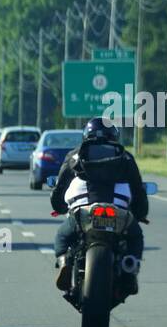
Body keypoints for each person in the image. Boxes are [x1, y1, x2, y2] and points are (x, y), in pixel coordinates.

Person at [50, 117, 148, 295]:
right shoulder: (125, 157)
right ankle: (130, 266)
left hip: (82, 213)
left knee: (63, 235)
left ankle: (64, 261)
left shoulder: (75, 155)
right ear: (114, 137)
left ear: (86, 135)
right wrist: (141, 214)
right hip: (118, 213)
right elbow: (138, 189)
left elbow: (60, 187)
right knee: (135, 236)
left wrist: (58, 207)